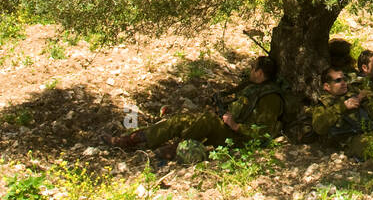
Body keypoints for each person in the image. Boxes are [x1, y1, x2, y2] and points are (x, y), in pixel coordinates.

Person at [106, 55, 285, 158]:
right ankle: (132, 140)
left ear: (260, 73)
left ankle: (176, 148)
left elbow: (265, 131)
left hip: (238, 137)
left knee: (206, 121)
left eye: (253, 69)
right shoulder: (251, 87)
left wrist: (236, 126)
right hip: (228, 128)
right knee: (182, 119)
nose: (250, 71)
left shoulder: (270, 97)